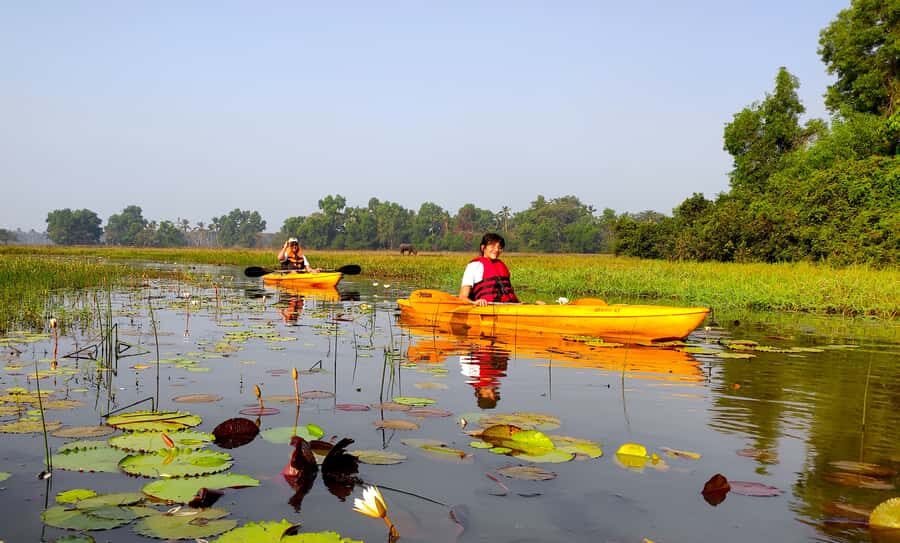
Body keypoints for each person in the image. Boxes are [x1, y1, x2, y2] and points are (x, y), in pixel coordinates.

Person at [459, 233, 519, 306]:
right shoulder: (474, 266)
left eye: (499, 247)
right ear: (483, 248)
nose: (496, 250)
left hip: (510, 307)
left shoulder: (502, 266)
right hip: (486, 308)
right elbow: (462, 297)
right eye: (492, 246)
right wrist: (475, 302)